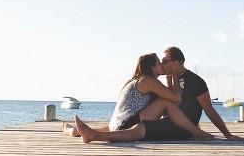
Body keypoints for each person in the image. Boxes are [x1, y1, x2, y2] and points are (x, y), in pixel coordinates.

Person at [73, 46, 244, 143]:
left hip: (182, 127)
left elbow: (209, 110)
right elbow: (167, 104)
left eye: (165, 61)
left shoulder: (195, 81)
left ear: (176, 62)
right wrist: (171, 78)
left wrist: (227, 135)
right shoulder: (157, 82)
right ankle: (82, 132)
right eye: (160, 62)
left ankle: (87, 133)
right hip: (170, 122)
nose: (163, 64)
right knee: (143, 124)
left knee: (141, 128)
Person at [64, 52, 213, 140]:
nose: (162, 64)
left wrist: (168, 78)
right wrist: (173, 75)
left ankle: (71, 130)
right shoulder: (148, 81)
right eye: (159, 63)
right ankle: (196, 132)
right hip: (127, 123)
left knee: (163, 102)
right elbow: (176, 99)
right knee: (165, 104)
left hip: (117, 123)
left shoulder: (138, 80)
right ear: (152, 67)